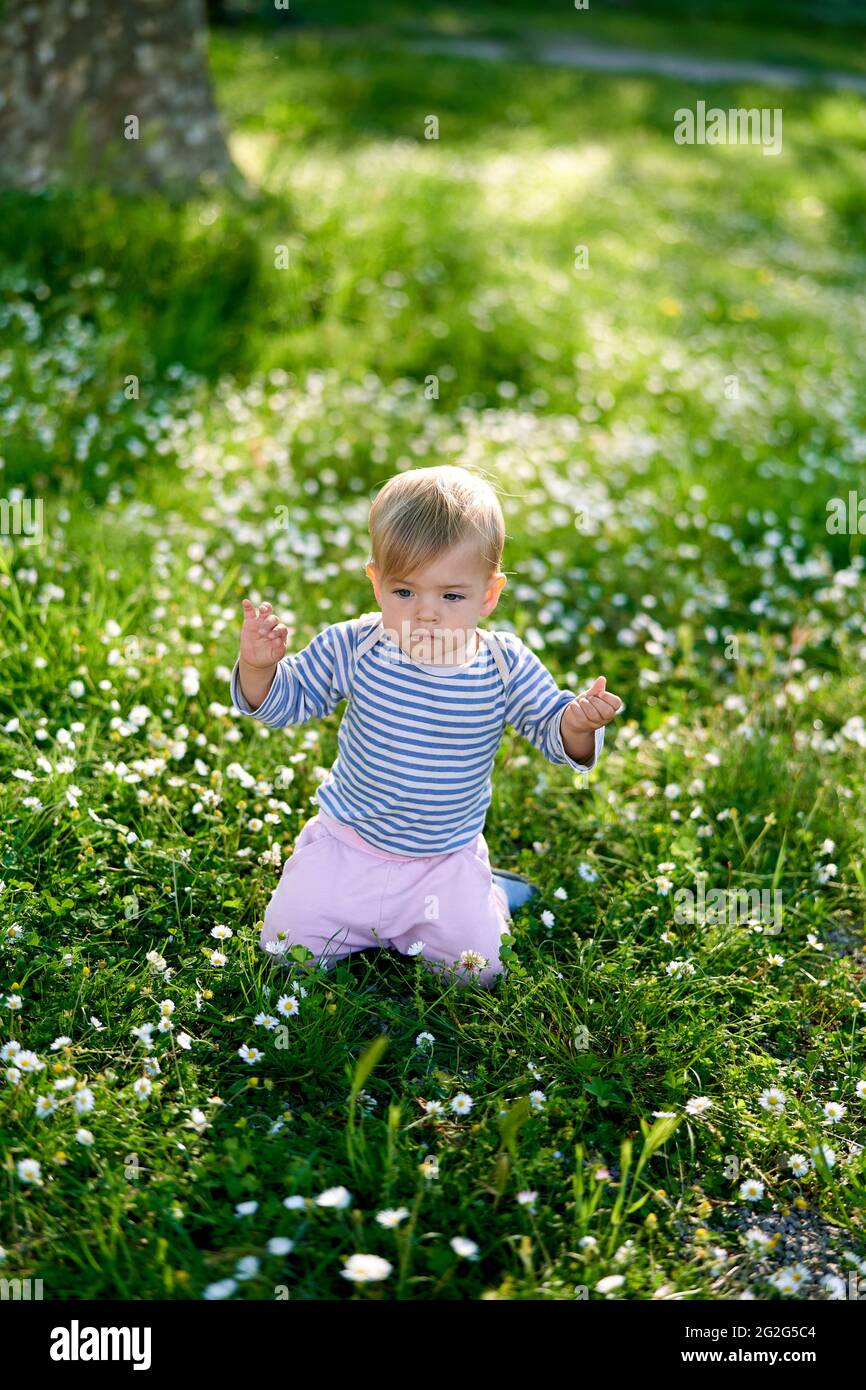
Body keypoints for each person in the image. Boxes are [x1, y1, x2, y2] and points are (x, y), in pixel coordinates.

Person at [229, 465, 623, 988]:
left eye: (451, 596)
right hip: (349, 847)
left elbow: (551, 727)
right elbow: (286, 702)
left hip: (443, 860)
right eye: (405, 593)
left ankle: (488, 895)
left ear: (488, 594)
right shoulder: (356, 645)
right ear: (377, 583)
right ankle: (350, 912)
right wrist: (260, 668)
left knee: (475, 974)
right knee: (286, 954)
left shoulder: (503, 665)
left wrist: (576, 722)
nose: (427, 614)